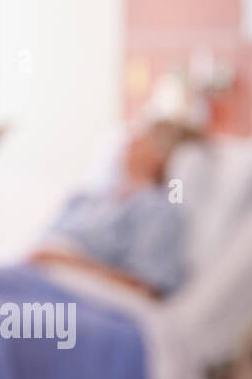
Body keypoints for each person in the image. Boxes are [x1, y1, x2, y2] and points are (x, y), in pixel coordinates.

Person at [32, 119, 204, 299]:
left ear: (163, 157)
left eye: (143, 140)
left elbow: (146, 287)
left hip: (75, 300)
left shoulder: (158, 211)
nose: (129, 143)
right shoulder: (83, 199)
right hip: (35, 283)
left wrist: (66, 264)